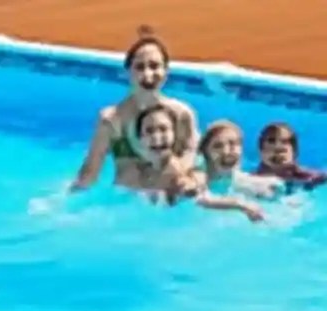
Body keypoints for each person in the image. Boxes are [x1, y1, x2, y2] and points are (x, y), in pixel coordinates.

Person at [70, 26, 200, 191]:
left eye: (154, 66)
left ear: (166, 71)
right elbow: (89, 174)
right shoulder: (111, 120)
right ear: (128, 72)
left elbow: (194, 162)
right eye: (140, 67)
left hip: (168, 200)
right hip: (127, 201)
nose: (148, 74)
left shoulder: (182, 115)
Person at [133, 105, 263, 222]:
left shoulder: (190, 173)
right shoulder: (135, 173)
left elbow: (200, 198)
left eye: (163, 129)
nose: (157, 137)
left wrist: (241, 205)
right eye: (149, 131)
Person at [198, 120, 282, 199]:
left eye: (232, 144)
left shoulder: (249, 184)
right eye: (218, 146)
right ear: (205, 153)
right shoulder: (197, 185)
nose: (226, 151)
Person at [253, 122, 326, 192]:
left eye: (282, 151)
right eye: (272, 151)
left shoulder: (302, 175)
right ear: (261, 152)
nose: (277, 156)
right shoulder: (254, 179)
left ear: (294, 154)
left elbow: (322, 177)